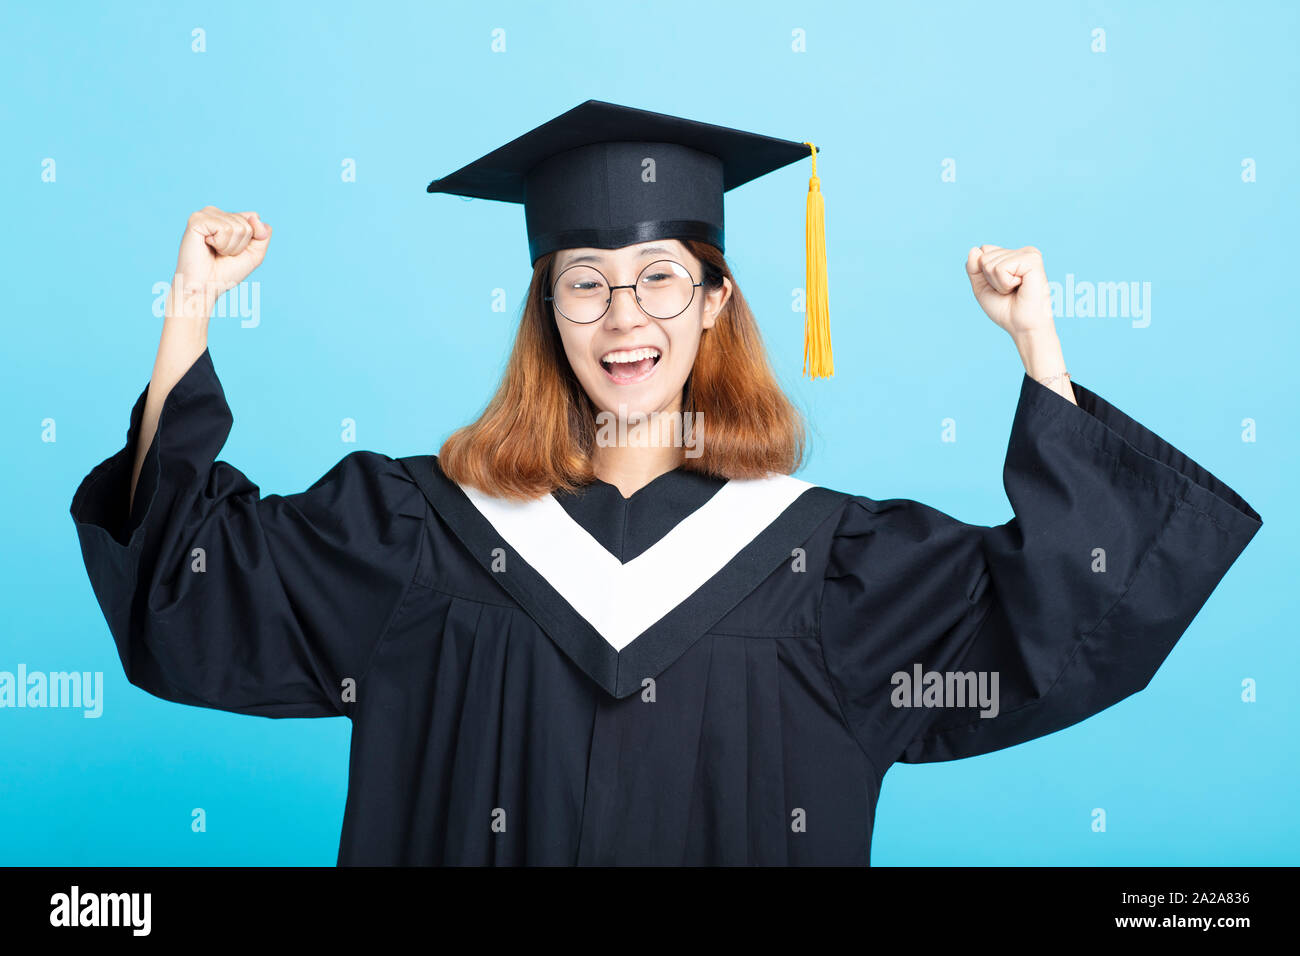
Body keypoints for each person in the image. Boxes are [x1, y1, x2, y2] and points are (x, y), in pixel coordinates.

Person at [69, 100, 1262, 865]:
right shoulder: (416, 532)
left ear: (716, 303)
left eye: (659, 278)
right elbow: (181, 589)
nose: (623, 313)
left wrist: (1037, 350)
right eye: (584, 279)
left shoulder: (830, 565)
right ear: (547, 308)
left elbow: (1065, 621)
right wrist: (192, 308)